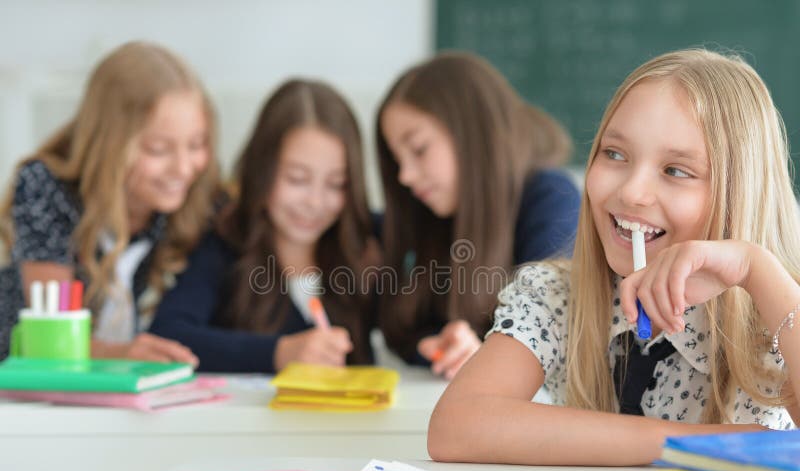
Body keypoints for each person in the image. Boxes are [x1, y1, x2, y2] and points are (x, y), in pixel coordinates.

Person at [428, 49, 800, 466]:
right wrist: (703, 444)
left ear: (738, 196)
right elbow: (455, 428)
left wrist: (756, 268)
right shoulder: (554, 295)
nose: (631, 192)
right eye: (615, 154)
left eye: (676, 171)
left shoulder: (781, 308)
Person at [0, 41, 222, 364]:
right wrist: (121, 354)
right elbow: (51, 336)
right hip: (22, 383)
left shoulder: (190, 197)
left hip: (111, 388)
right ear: (111, 144)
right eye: (158, 149)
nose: (184, 168)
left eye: (197, 144)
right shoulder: (45, 187)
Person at [149, 79, 378, 372]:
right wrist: (277, 353)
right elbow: (168, 335)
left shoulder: (368, 240)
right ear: (262, 170)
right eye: (297, 179)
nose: (315, 202)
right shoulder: (224, 243)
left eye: (337, 184)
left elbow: (413, 330)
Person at [377, 52, 580, 379]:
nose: (405, 176)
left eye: (418, 150)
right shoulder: (434, 214)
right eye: (397, 159)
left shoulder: (551, 198)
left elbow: (549, 333)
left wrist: (489, 354)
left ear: (471, 132)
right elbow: (408, 328)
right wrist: (439, 345)